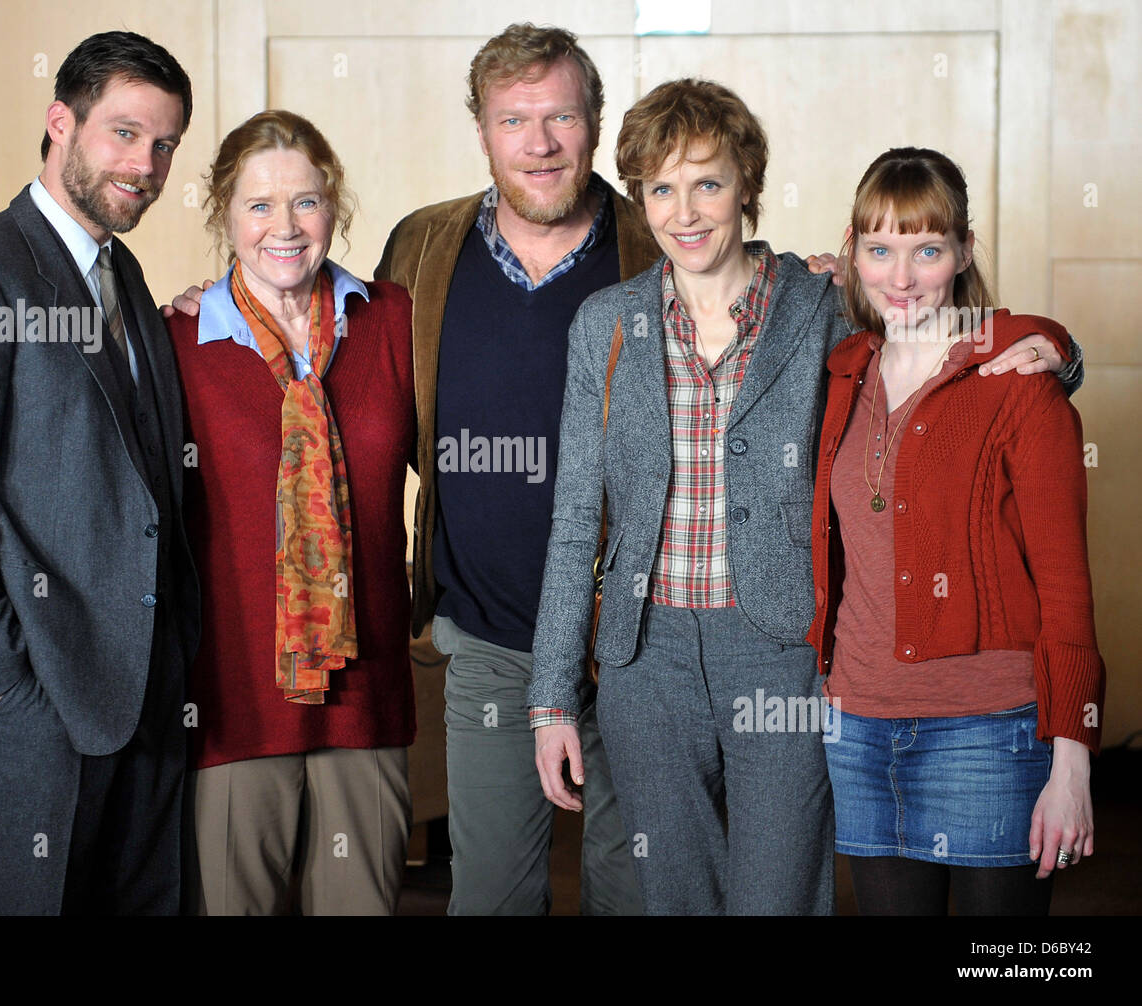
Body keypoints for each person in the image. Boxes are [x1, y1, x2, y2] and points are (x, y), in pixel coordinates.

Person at [527, 79, 1080, 915]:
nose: (686, 211)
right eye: (661, 189)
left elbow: (929, 317)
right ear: (639, 198)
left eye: (708, 183)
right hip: (646, 661)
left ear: (747, 184)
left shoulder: (819, 303)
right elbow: (574, 521)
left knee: (777, 896)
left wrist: (1055, 351)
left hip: (782, 647)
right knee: (670, 896)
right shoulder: (605, 323)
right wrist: (552, 698)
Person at [168, 22, 654, 916]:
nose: (539, 143)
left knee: (639, 892)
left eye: (560, 117)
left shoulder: (655, 243)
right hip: (480, 645)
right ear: (481, 130)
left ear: (594, 121)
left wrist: (827, 284)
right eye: (514, 120)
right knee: (492, 898)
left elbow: (751, 299)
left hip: (636, 641)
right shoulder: (421, 258)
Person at [0, 31, 200, 915]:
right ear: (61, 122)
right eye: (126, 133)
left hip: (146, 692)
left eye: (166, 143)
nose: (147, 164)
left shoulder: (123, 275)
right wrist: (4, 678)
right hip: (35, 700)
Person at [807, 147, 1104, 915]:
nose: (900, 279)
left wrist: (1072, 763)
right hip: (861, 726)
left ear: (964, 251)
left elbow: (1067, 587)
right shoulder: (843, 368)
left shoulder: (1020, 383)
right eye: (879, 251)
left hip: (989, 732)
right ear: (854, 251)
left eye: (927, 251)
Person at [166, 110, 416, 915]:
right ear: (223, 215)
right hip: (230, 700)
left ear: (334, 206)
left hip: (366, 694)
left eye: (305, 202)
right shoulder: (176, 342)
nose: (284, 226)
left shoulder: (396, 322)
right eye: (259, 205)